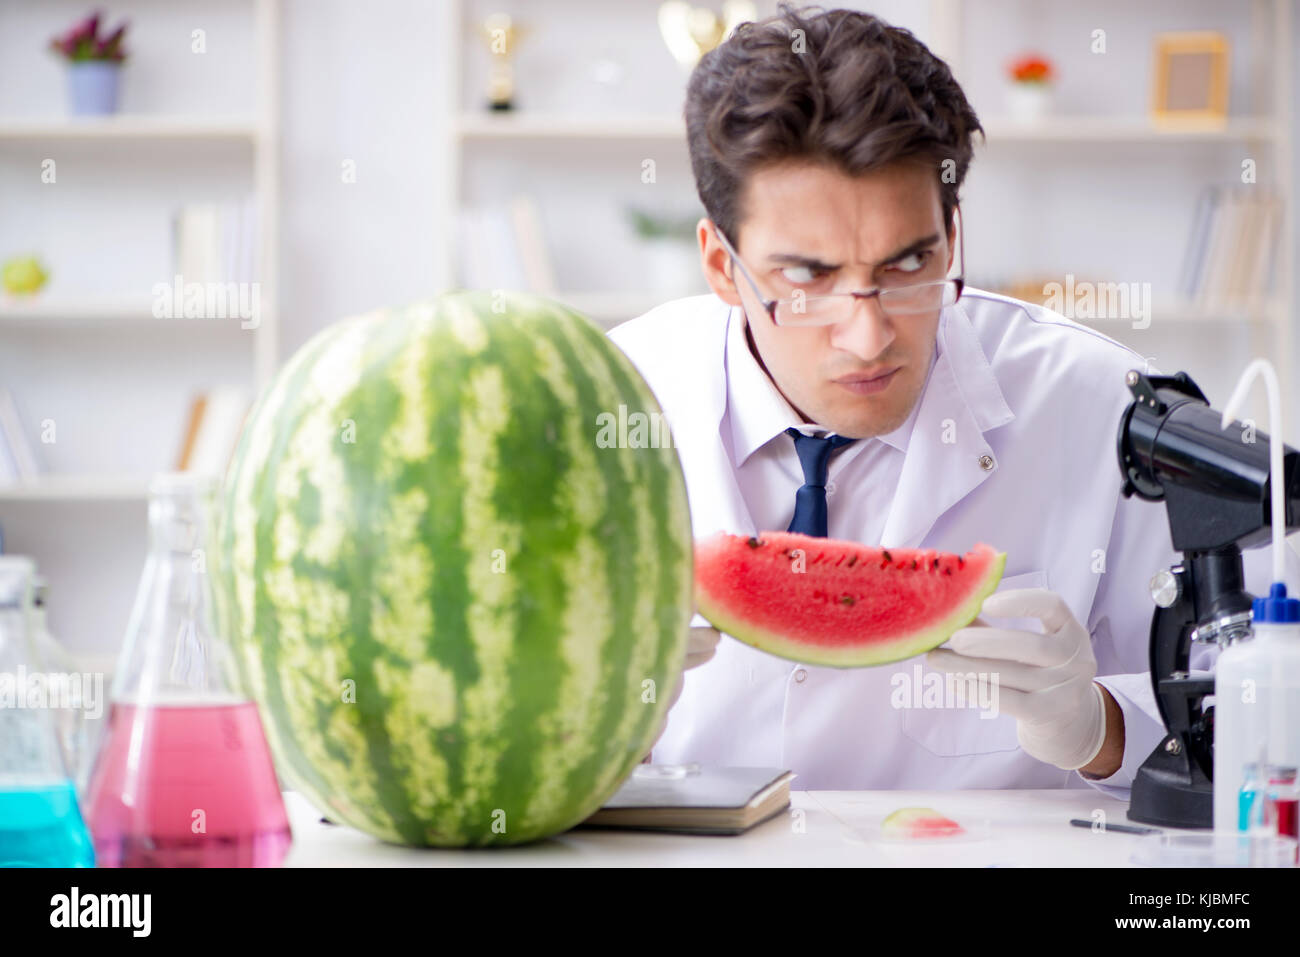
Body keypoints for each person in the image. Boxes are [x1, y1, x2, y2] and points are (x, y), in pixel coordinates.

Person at [615, 4, 1300, 795]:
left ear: (953, 230)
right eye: (807, 278)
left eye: (910, 265)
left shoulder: (1104, 410)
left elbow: (1269, 709)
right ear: (720, 263)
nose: (868, 334)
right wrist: (603, 734)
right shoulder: (615, 405)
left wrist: (1099, 729)